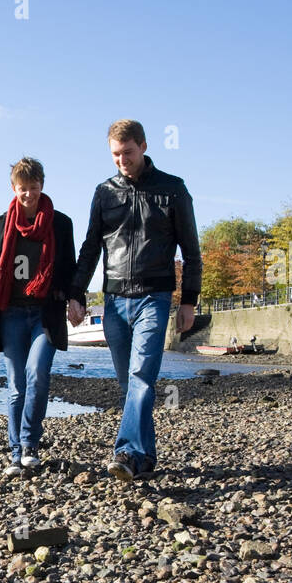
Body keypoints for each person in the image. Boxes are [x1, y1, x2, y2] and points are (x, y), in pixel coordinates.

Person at [69, 120, 201, 482]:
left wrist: (188, 301)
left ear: (143, 146)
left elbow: (191, 250)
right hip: (114, 300)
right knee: (130, 384)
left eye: (127, 152)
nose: (122, 161)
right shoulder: (104, 192)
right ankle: (144, 458)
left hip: (154, 298)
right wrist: (76, 293)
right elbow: (90, 247)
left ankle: (125, 451)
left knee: (143, 376)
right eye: (115, 155)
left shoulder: (173, 190)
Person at [0, 157, 83, 476]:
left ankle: (30, 444)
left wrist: (75, 299)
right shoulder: (0, 224)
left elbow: (69, 269)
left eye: (34, 188)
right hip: (11, 315)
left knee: (37, 374)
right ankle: (15, 453)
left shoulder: (60, 224)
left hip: (45, 315)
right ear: (13, 188)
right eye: (23, 189)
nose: (29, 195)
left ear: (42, 186)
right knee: (17, 385)